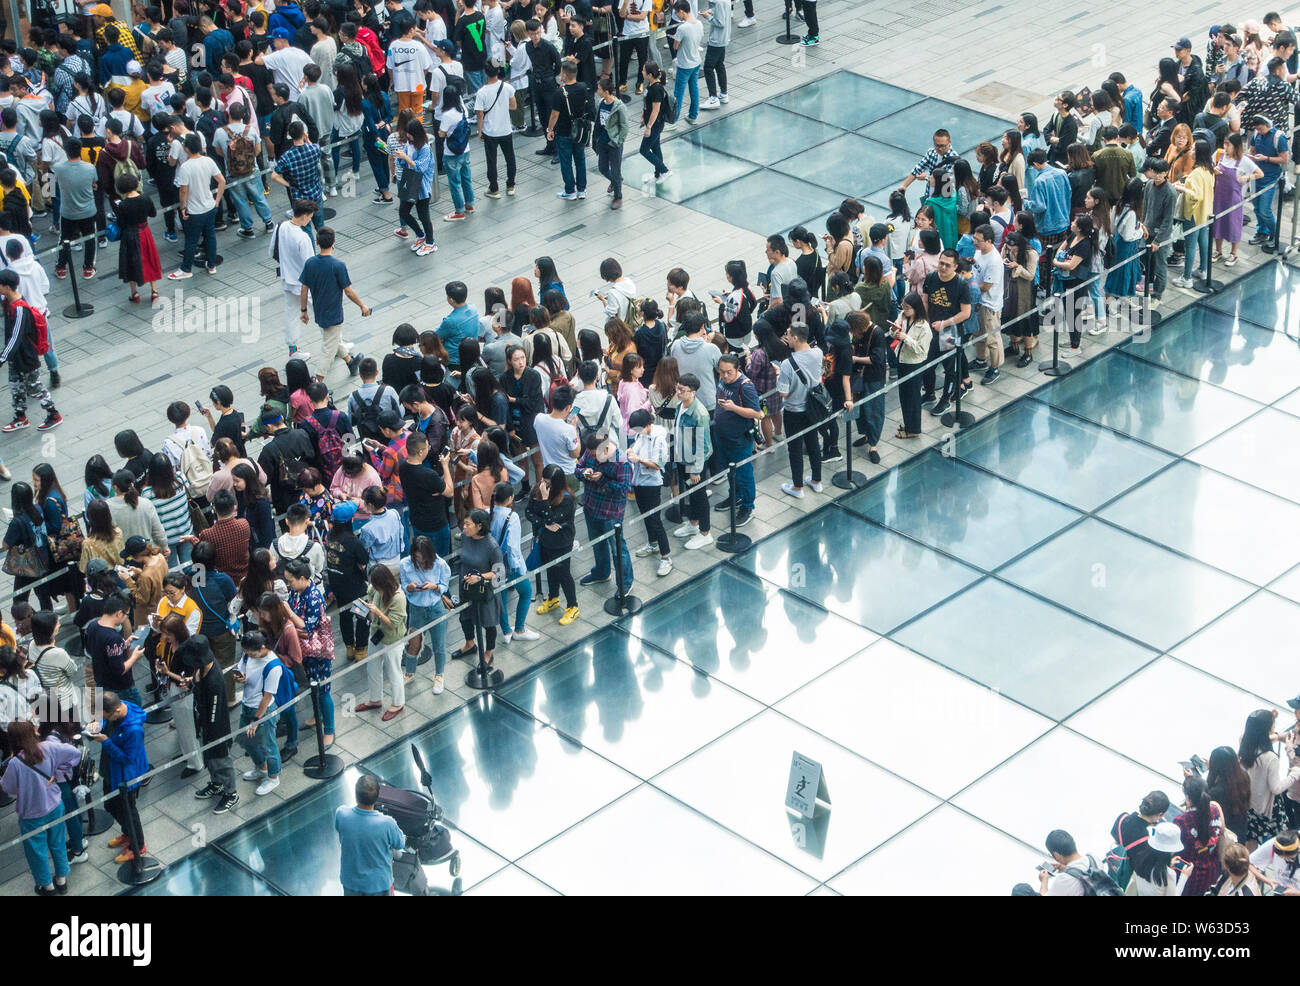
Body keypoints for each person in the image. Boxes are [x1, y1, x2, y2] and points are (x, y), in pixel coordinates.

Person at [86, 690, 150, 864]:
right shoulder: (116, 712)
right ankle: (128, 833)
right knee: (111, 806)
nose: (104, 719)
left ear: (116, 711)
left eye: (105, 716)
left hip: (126, 777)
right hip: (111, 770)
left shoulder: (134, 730)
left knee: (128, 810)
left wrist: (105, 742)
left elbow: (128, 758)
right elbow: (105, 723)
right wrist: (96, 727)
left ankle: (138, 845)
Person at [299, 226, 370, 378]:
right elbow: (349, 291)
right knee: (328, 350)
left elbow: (304, 289)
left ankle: (351, 362)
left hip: (319, 311)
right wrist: (362, 305)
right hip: (333, 313)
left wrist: (304, 310)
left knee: (334, 339)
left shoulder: (310, 263)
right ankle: (318, 382)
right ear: (334, 241)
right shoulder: (338, 265)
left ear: (316, 242)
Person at [0, 270, 61, 433]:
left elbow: (16, 336)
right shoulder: (8, 302)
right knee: (16, 386)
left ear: (6, 287)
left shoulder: (19, 309)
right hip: (16, 357)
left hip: (26, 357)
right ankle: (20, 417)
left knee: (34, 387)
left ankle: (53, 414)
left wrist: (2, 358)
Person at [166, 133, 225, 279]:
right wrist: (217, 200)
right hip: (210, 206)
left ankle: (186, 269)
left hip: (194, 211)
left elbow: (183, 190)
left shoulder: (185, 167)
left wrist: (183, 208)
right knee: (210, 236)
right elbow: (222, 181)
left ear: (186, 149)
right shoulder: (208, 161)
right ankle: (211, 265)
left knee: (191, 240)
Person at [335, 773, 405, 895]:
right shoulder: (387, 823)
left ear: (356, 796)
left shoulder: (341, 814)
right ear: (377, 796)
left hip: (351, 883)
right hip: (379, 885)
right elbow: (400, 844)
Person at [353, 562, 407, 721]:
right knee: (373, 667)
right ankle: (375, 698)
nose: (373, 586)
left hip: (392, 639)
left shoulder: (398, 597)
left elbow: (394, 623)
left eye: (375, 584)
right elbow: (369, 598)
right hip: (375, 633)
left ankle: (398, 702)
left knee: (394, 671)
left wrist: (377, 612)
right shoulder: (375, 590)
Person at [777, 322, 825, 496]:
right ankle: (816, 481)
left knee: (795, 449)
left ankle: (797, 487)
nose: (786, 338)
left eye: (788, 335)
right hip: (813, 408)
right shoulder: (818, 353)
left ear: (795, 338)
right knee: (813, 443)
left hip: (793, 412)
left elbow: (783, 392)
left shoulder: (786, 364)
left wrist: (779, 376)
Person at [233, 629, 283, 796]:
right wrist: (240, 677)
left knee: (268, 745)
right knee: (246, 741)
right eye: (246, 653)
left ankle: (273, 777)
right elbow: (243, 670)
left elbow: (267, 698)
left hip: (263, 710)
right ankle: (261, 767)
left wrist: (256, 720)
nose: (248, 656)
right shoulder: (248, 654)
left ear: (262, 647)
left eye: (251, 653)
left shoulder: (273, 666)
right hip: (247, 704)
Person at [400, 534, 452, 695]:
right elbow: (403, 586)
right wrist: (409, 587)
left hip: (435, 608)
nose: (420, 561)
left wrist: (434, 587)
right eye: (417, 557)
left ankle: (439, 675)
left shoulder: (440, 564)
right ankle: (409, 672)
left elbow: (444, 585)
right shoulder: (405, 564)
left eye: (423, 558)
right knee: (413, 642)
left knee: (439, 645)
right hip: (416, 608)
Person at [272, 200, 319, 360]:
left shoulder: (281, 226)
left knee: (291, 314)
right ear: (305, 216)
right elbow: (311, 264)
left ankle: (293, 350)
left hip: (287, 279)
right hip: (304, 284)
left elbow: (271, 250)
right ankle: (336, 343)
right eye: (310, 217)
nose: (310, 220)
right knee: (321, 312)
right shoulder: (303, 237)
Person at [547, 57, 588, 201]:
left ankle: (570, 191)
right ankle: (582, 190)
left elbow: (554, 114)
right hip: (580, 131)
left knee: (566, 162)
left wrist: (549, 129)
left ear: (564, 75)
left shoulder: (559, 93)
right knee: (580, 159)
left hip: (564, 132)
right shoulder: (583, 87)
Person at [475, 60, 517, 199]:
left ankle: (494, 188)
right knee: (510, 158)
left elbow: (480, 114)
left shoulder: (482, 93)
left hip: (490, 131)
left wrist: (479, 131)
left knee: (491, 161)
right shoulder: (507, 87)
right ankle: (510, 185)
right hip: (505, 129)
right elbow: (513, 106)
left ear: (485, 72)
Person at [594, 75, 626, 210]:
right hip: (602, 141)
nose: (597, 91)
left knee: (616, 169)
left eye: (599, 89)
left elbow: (624, 126)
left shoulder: (619, 106)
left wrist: (618, 141)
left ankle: (618, 196)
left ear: (606, 91)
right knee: (602, 167)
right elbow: (597, 122)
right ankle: (615, 181)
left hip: (614, 143)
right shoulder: (601, 103)